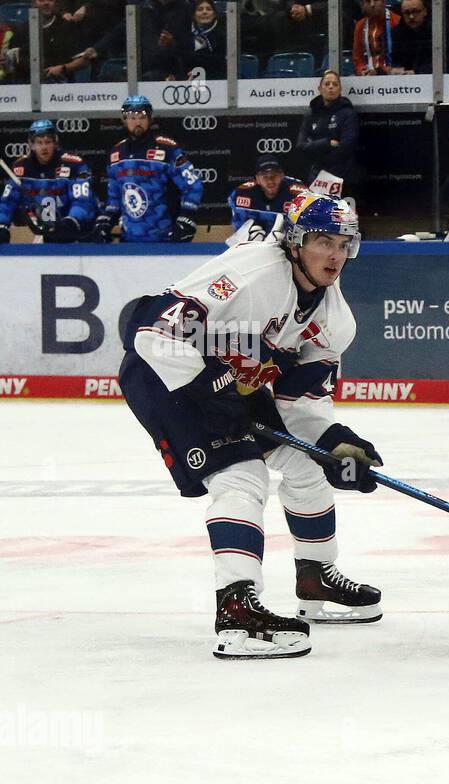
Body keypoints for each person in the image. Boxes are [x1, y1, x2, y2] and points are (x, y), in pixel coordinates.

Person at [117, 193, 384, 659]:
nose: (336, 254)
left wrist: (335, 442)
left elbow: (301, 399)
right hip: (167, 379)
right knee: (242, 473)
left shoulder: (334, 319)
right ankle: (237, 611)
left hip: (232, 388)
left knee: (307, 464)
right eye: (324, 241)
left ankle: (315, 579)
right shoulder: (251, 273)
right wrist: (209, 387)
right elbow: (151, 336)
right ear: (296, 242)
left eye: (344, 243)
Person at [93, 96, 203, 243]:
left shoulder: (168, 149)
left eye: (142, 116)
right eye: (132, 116)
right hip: (129, 241)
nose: (137, 122)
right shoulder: (116, 154)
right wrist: (105, 222)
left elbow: (193, 186)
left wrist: (186, 219)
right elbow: (114, 199)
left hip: (166, 240)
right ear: (124, 120)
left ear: (150, 119)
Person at [0, 119, 97, 244]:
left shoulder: (74, 165)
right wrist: (1, 225)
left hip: (73, 237)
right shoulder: (20, 168)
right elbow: (7, 202)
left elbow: (83, 201)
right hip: (39, 235)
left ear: (55, 142)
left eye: (48, 142)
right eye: (39, 142)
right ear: (31, 144)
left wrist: (70, 222)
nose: (44, 147)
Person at [295, 70, 359, 194]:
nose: (331, 87)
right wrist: (327, 143)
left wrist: (315, 148)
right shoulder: (311, 113)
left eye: (335, 84)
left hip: (341, 175)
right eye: (327, 84)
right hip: (315, 175)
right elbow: (300, 146)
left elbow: (347, 147)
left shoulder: (348, 114)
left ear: (340, 89)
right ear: (320, 88)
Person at [228, 156, 309, 232]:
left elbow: (310, 225)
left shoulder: (301, 195)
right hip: (255, 242)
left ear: (282, 175)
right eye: (265, 176)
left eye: (274, 175)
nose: (270, 180)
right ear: (257, 179)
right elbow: (239, 229)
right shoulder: (241, 194)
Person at [352, 0, 398, 75]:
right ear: (362, 5)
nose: (372, 4)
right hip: (369, 79)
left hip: (394, 77)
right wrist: (363, 70)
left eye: (376, 0)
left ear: (384, 1)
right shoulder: (360, 26)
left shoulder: (397, 21)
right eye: (368, 1)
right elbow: (358, 58)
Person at [390, 0, 433, 74]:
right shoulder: (396, 33)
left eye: (415, 11)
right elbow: (395, 60)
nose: (411, 16)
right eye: (407, 13)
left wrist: (416, 72)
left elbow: (442, 61)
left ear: (425, 11)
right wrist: (396, 69)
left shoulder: (436, 31)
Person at [188, 0, 227, 80]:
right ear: (194, 15)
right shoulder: (185, 32)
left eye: (209, 9)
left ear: (214, 14)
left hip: (215, 78)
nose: (204, 12)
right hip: (187, 76)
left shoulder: (221, 36)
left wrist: (199, 72)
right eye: (200, 9)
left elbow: (219, 61)